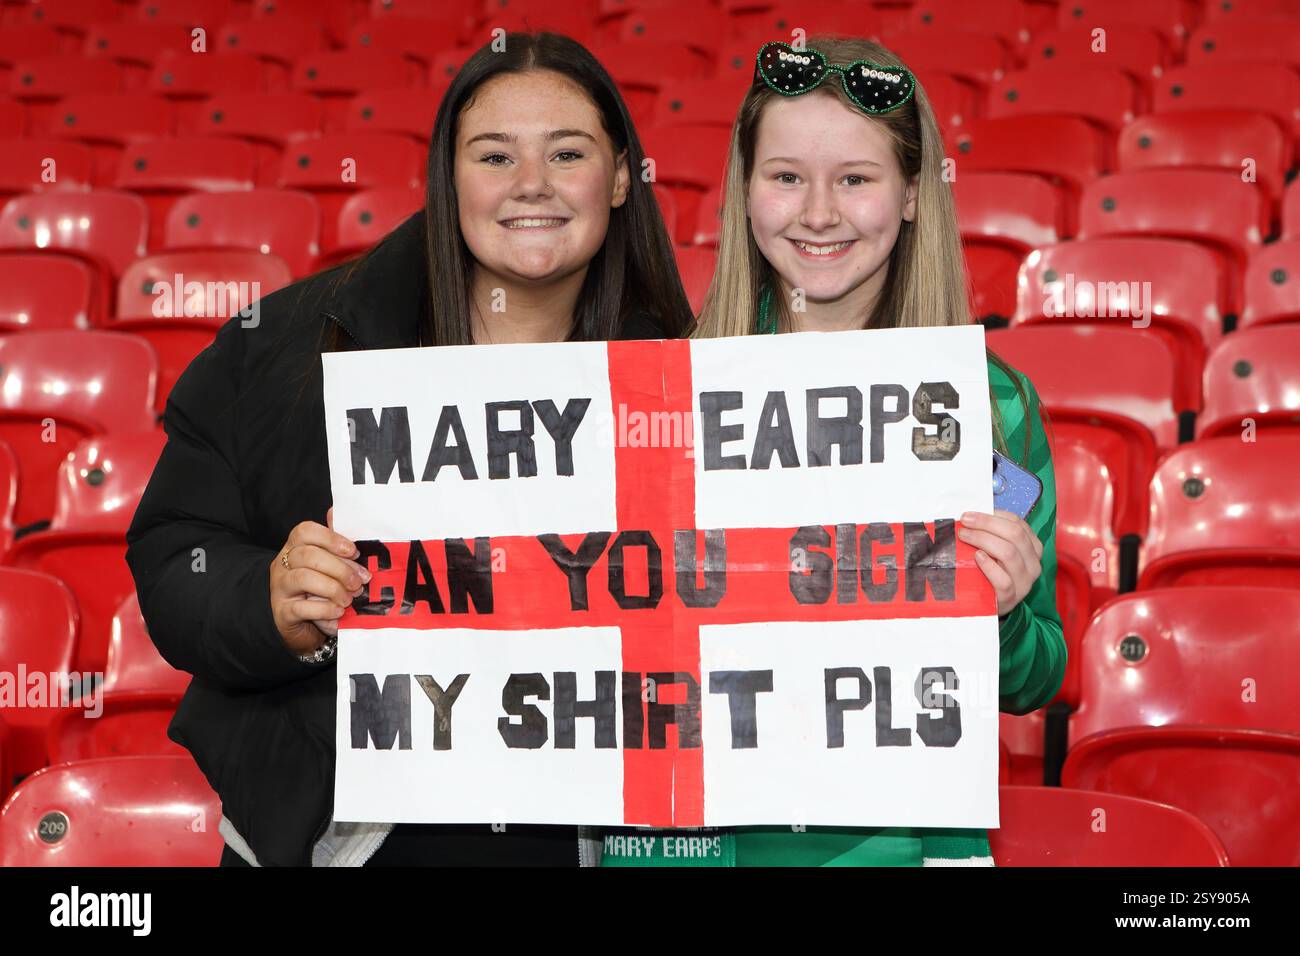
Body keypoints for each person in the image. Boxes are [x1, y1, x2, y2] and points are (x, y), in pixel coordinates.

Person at [125, 32, 691, 867]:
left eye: (566, 153)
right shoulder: (280, 345)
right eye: (494, 156)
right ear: (449, 178)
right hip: (347, 832)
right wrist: (271, 605)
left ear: (616, 178)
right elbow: (175, 553)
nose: (530, 184)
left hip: (592, 827)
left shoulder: (691, 379)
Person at [600, 36, 1066, 867]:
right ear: (746, 192)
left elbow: (1036, 681)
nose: (818, 213)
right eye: (786, 177)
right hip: (692, 842)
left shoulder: (992, 404)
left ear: (914, 194)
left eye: (855, 178)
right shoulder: (660, 391)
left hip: (908, 840)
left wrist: (1000, 612)